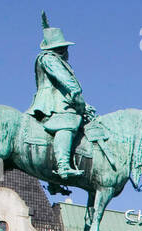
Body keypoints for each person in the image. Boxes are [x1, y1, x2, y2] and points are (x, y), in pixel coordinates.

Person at [27, 14, 97, 182]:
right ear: (59, 48)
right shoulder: (49, 59)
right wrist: (76, 91)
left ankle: (55, 176)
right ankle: (63, 166)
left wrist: (84, 106)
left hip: (60, 99)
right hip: (51, 102)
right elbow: (65, 81)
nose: (66, 51)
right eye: (64, 47)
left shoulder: (55, 59)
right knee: (68, 123)